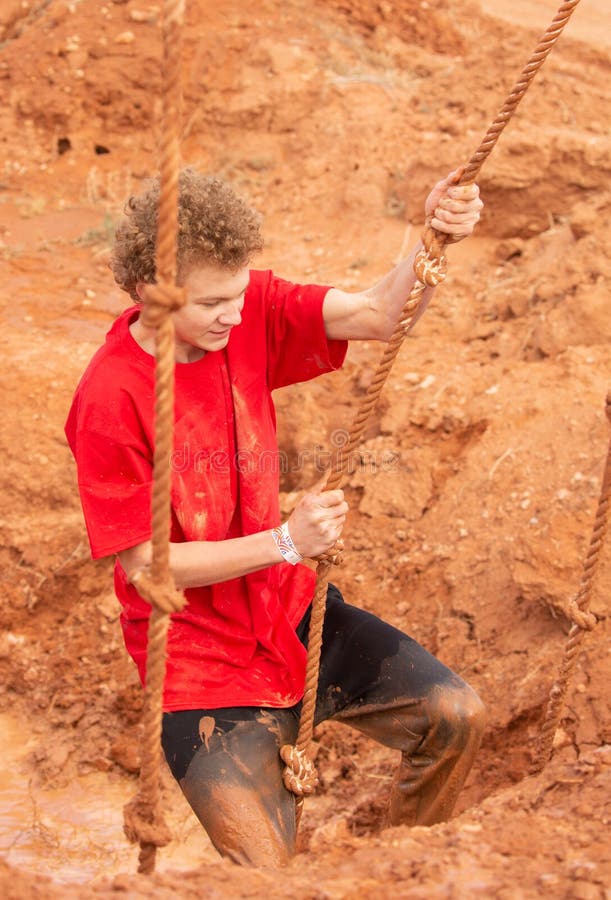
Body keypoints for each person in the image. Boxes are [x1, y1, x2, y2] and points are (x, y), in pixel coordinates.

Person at [65, 166, 486, 867]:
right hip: (198, 665)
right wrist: (284, 542)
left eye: (238, 292)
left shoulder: (247, 308)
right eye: (211, 303)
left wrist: (431, 235)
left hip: (288, 614)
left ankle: (392, 872)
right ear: (148, 292)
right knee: (268, 873)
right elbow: (145, 569)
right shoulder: (110, 397)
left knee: (454, 717)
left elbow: (380, 315)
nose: (234, 314)